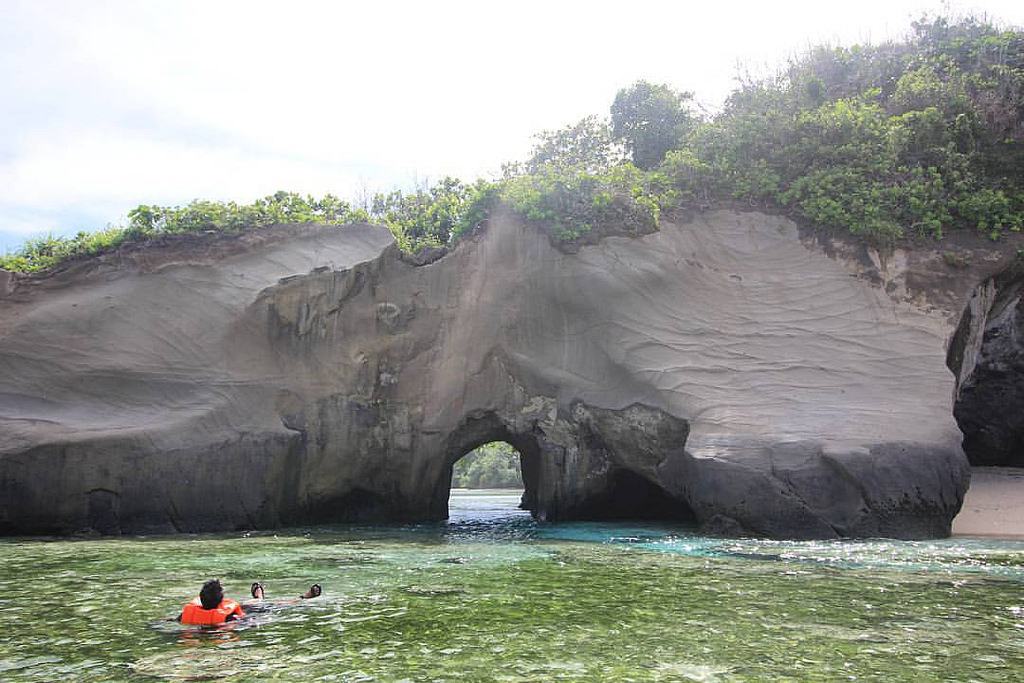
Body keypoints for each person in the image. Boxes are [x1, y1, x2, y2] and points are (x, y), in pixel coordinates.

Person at [178, 579, 322, 625]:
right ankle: (304, 597)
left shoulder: (184, 615)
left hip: (243, 609)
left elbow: (169, 620)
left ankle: (259, 597)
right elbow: (250, 622)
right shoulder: (230, 617)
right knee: (277, 604)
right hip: (251, 612)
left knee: (247, 604)